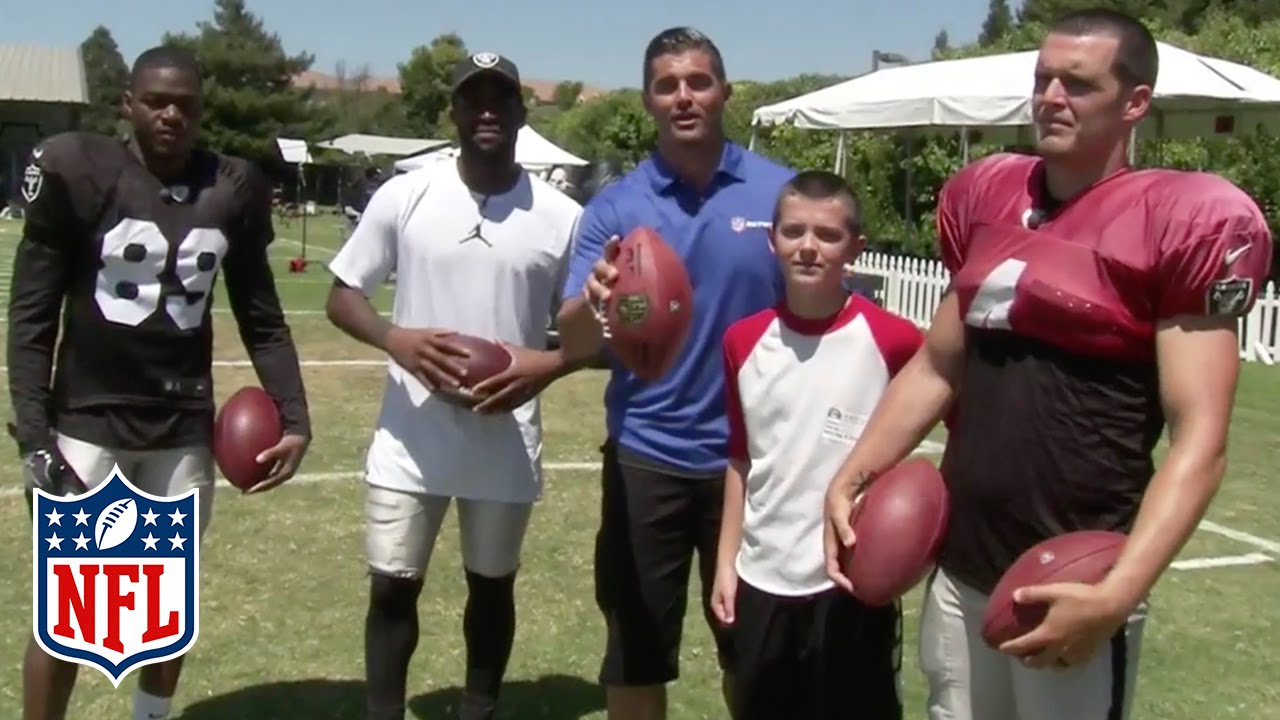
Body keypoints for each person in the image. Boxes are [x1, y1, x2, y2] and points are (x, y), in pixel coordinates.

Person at [822, 8, 1273, 720]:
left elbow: (1201, 439)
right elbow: (939, 366)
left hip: (1073, 578)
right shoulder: (986, 196)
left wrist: (1116, 594)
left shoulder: (1180, 221)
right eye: (1043, 78)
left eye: (1078, 83)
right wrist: (855, 472)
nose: (1051, 97)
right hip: (962, 563)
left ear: (1135, 103)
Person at [9, 46, 311, 720]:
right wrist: (34, 436)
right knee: (69, 608)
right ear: (129, 104)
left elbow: (262, 316)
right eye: (157, 101)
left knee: (164, 601)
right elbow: (31, 316)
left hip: (179, 427)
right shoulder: (83, 174)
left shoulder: (231, 187)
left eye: (186, 103)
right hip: (88, 421)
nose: (172, 114)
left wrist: (295, 416)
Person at [325, 51, 582, 720]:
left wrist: (547, 366)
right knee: (391, 588)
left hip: (505, 434)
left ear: (524, 112)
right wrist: (396, 340)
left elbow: (594, 331)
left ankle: (479, 709)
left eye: (502, 99)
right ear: (456, 113)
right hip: (411, 434)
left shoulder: (561, 216)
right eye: (474, 99)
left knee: (491, 588)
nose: (488, 110)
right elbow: (344, 294)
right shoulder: (406, 193)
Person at [556, 26, 796, 720]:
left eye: (697, 81)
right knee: (635, 652)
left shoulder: (779, 195)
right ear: (647, 100)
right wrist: (595, 300)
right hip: (647, 459)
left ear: (724, 89)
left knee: (753, 653)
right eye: (667, 85)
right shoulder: (615, 208)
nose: (683, 96)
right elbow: (572, 338)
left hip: (754, 462)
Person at [712, 170, 921, 720]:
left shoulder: (896, 341)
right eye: (794, 231)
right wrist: (725, 562)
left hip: (853, 585)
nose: (808, 247)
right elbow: (741, 457)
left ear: (856, 247)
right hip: (762, 578)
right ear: (771, 238)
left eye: (828, 235)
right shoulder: (742, 341)